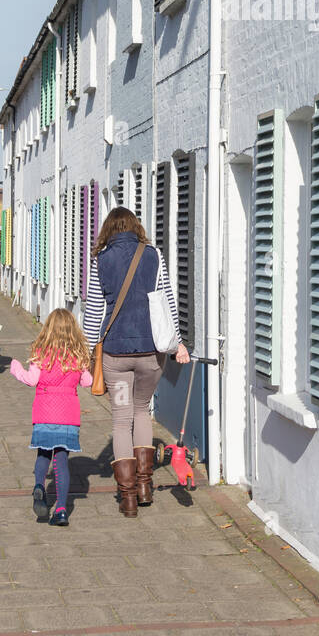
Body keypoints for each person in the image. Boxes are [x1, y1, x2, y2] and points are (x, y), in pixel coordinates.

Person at [82, 206, 189, 517]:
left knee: (120, 419)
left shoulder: (99, 259)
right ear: (135, 227)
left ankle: (127, 498)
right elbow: (167, 300)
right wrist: (177, 342)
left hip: (115, 355)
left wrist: (89, 349)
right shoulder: (154, 256)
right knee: (142, 411)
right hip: (151, 354)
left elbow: (93, 312)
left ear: (109, 229)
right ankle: (145, 487)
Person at [10, 308, 92, 527]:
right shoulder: (78, 356)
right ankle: (62, 510)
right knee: (62, 461)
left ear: (48, 329)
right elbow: (88, 382)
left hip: (44, 412)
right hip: (68, 416)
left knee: (43, 454)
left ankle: (39, 485)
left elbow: (31, 380)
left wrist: (15, 368)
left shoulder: (41, 353)